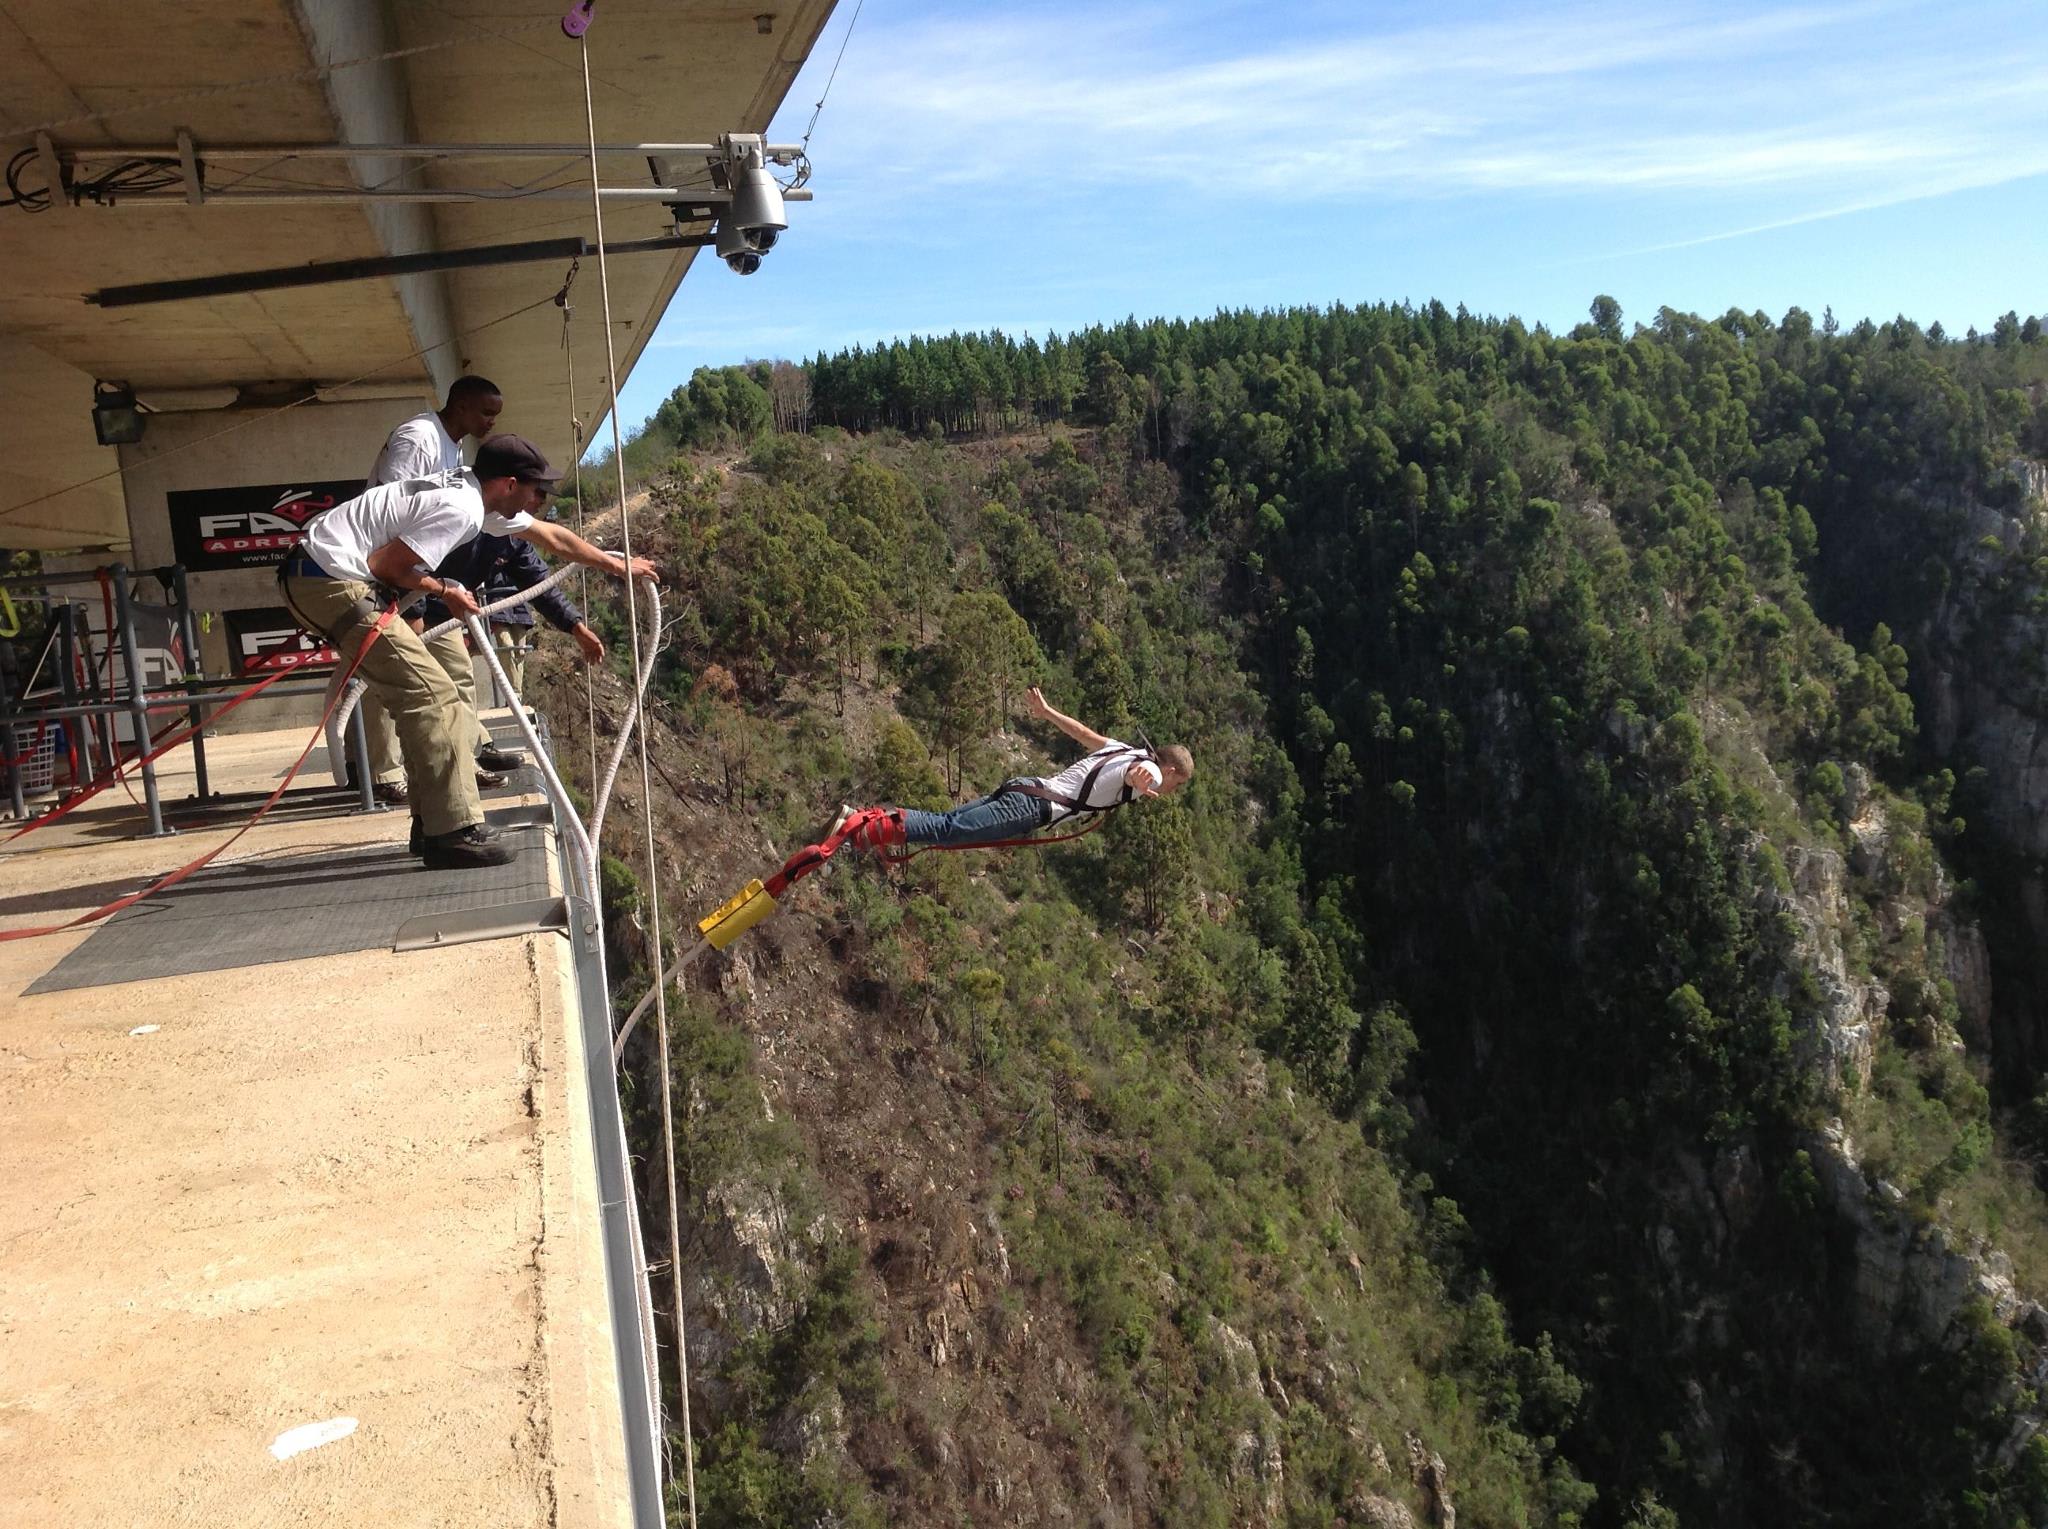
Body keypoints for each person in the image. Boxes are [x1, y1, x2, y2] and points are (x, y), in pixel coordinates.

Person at [281, 433, 655, 870]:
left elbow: (553, 538)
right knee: (435, 694)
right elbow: (386, 566)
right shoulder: (462, 508)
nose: (541, 502)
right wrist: (445, 590)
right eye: (538, 491)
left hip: (316, 573)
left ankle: (432, 824)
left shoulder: (473, 497)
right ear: (510, 484)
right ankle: (451, 833)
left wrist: (617, 565)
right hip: (330, 580)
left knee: (425, 696)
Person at [337, 376, 512, 802]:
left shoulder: (453, 446)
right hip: (385, 572)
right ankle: (382, 772)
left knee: (455, 670)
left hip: (425, 578)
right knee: (384, 676)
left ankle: (464, 762)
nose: (491, 422)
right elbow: (392, 509)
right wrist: (408, 591)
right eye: (486, 412)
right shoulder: (419, 438)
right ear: (461, 405)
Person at [828, 685, 1193, 853]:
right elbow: (1142, 777)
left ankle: (858, 823)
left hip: (1026, 786)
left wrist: (1047, 712)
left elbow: (1082, 733)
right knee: (947, 830)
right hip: (1034, 806)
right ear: (1173, 770)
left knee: (945, 825)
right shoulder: (1152, 771)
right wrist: (1145, 781)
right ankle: (862, 829)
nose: (1169, 789)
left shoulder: (1121, 749)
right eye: (1176, 783)